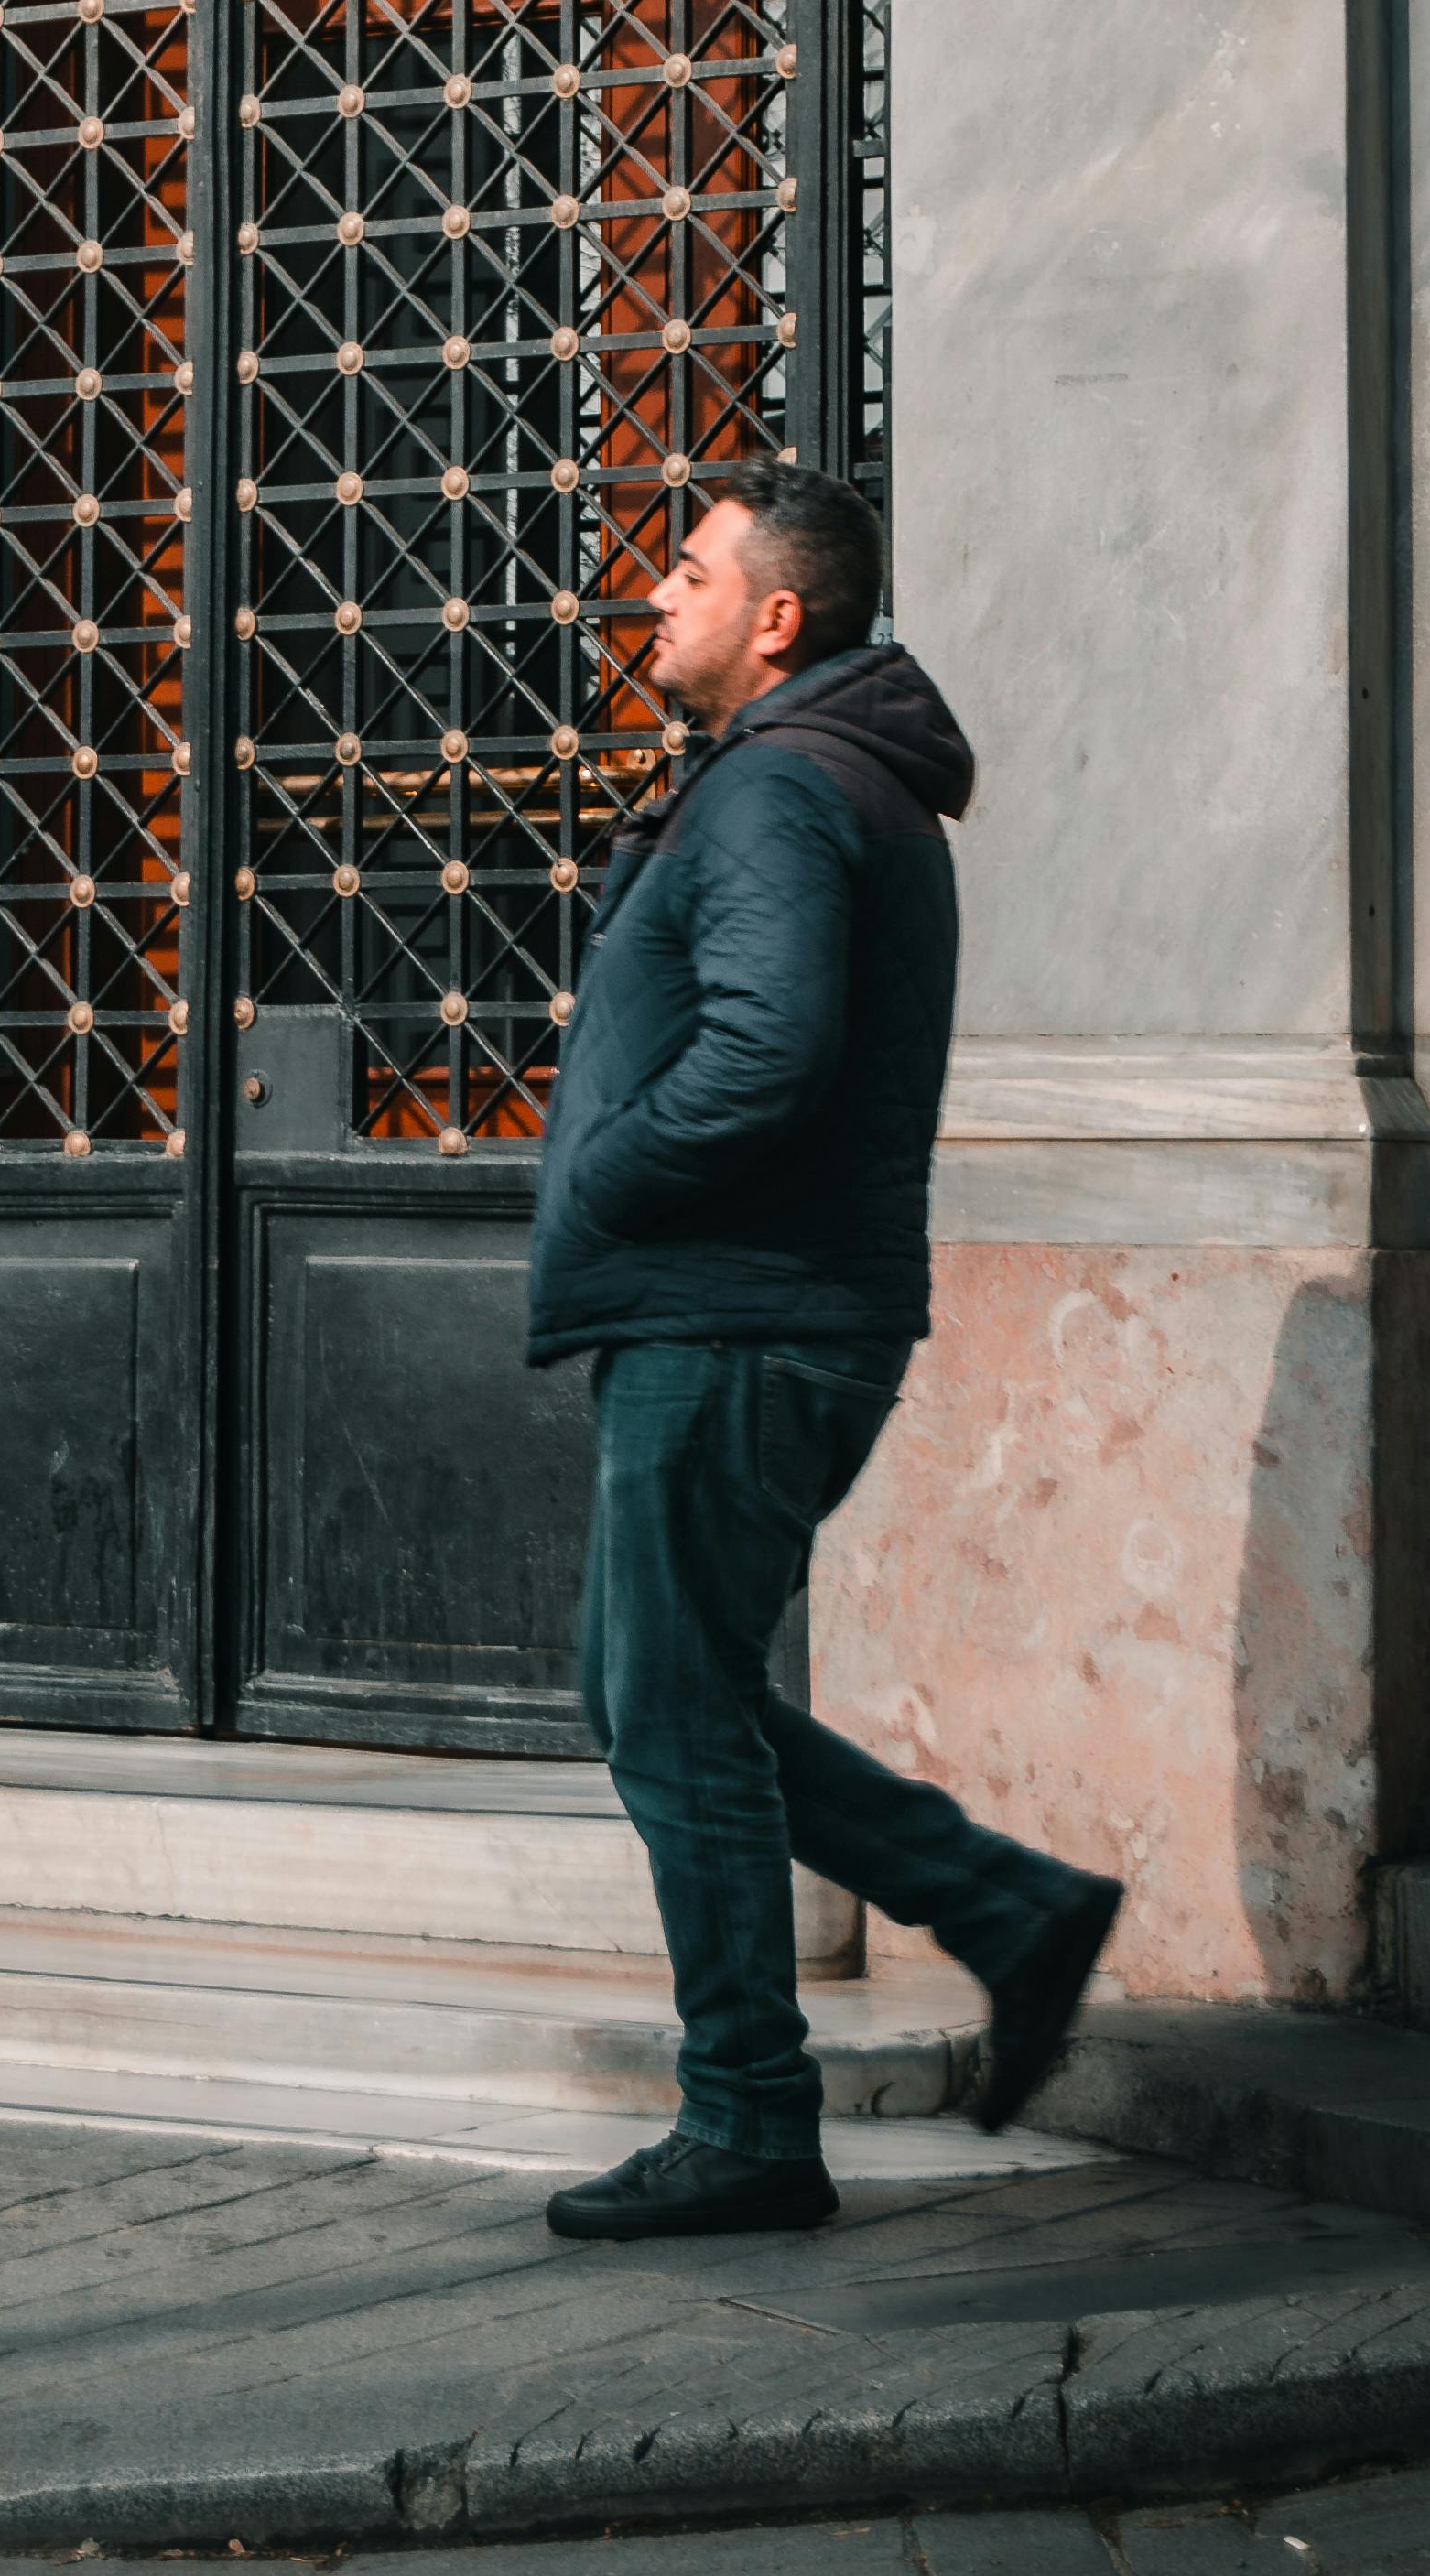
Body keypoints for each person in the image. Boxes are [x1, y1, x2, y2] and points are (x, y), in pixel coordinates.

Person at [528, 459, 1121, 2239]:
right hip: (746, 1308)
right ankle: (1006, 1914)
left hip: (736, 1309)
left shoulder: (780, 795)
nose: (655, 598)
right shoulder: (794, 784)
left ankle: (749, 2122)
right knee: (655, 1698)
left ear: (775, 615)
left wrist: (609, 1174)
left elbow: (765, 1054)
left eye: (688, 572)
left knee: (669, 1712)